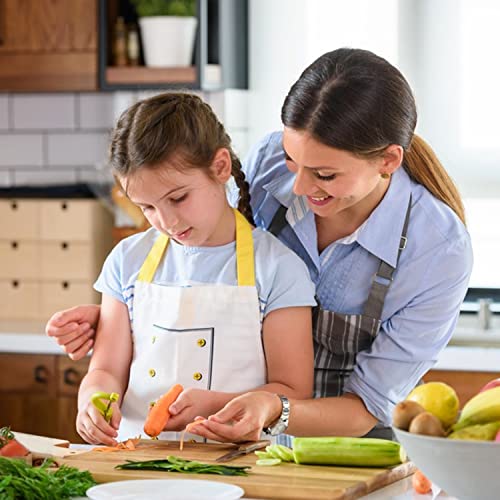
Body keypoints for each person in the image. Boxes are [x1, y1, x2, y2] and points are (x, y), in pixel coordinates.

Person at [47, 48, 473, 442]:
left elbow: (366, 405)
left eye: (324, 175)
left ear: (388, 161)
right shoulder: (269, 162)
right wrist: (128, 312)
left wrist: (270, 406)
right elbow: (208, 247)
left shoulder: (436, 248)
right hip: (246, 445)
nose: (300, 186)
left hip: (349, 447)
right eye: (293, 161)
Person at [68, 92, 316, 445]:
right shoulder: (127, 260)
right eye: (147, 208)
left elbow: (293, 391)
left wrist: (216, 404)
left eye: (178, 198)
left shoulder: (279, 268)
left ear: (220, 167)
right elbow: (106, 370)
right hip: (137, 464)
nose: (166, 221)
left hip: (242, 466)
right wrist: (93, 400)